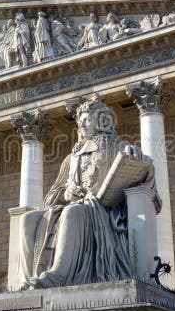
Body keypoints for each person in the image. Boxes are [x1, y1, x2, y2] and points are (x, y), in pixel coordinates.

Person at [17, 95, 160, 289]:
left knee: (72, 212)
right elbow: (52, 196)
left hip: (102, 212)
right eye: (80, 120)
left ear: (100, 121)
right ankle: (27, 282)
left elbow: (145, 171)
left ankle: (59, 275)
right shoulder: (72, 157)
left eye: (87, 119)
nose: (82, 125)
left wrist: (139, 156)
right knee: (28, 219)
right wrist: (66, 193)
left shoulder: (118, 147)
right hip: (72, 207)